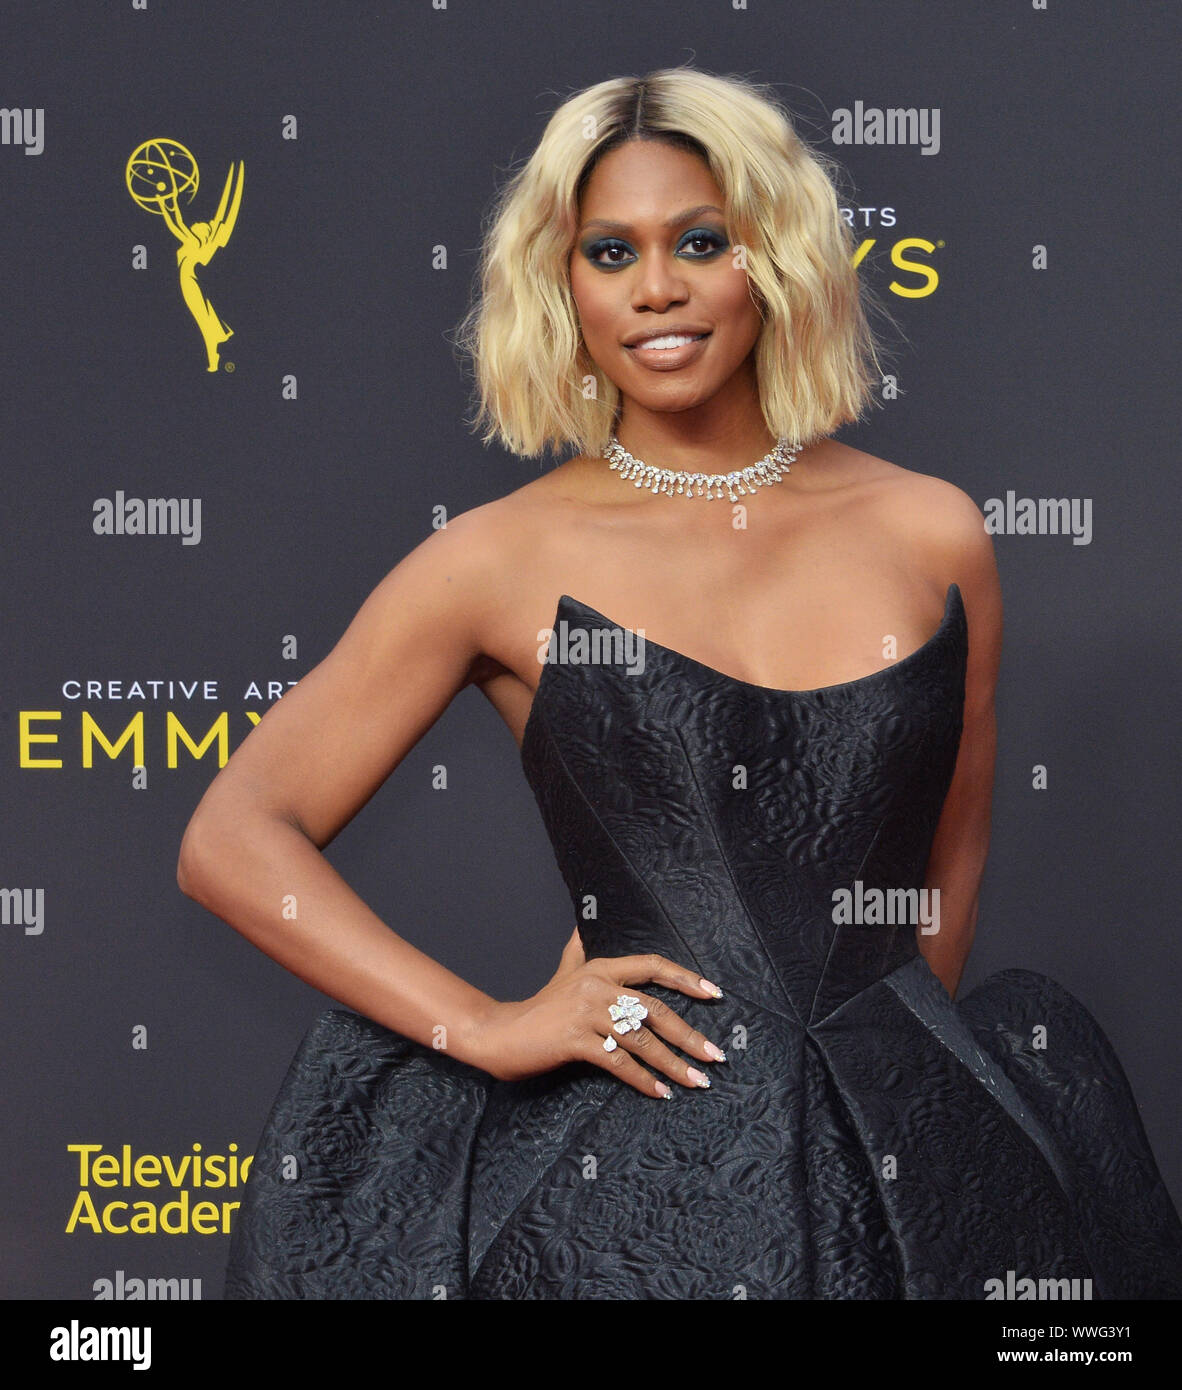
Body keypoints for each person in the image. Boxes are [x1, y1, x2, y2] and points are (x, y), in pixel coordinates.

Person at [177, 66, 1182, 1300]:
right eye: (611, 252)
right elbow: (233, 835)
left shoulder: (933, 532)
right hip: (633, 1188)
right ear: (564, 283)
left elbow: (941, 880)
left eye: (701, 241)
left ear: (776, 258)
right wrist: (483, 1025)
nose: (656, 287)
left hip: (907, 1153)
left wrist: (890, 1112)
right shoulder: (495, 558)